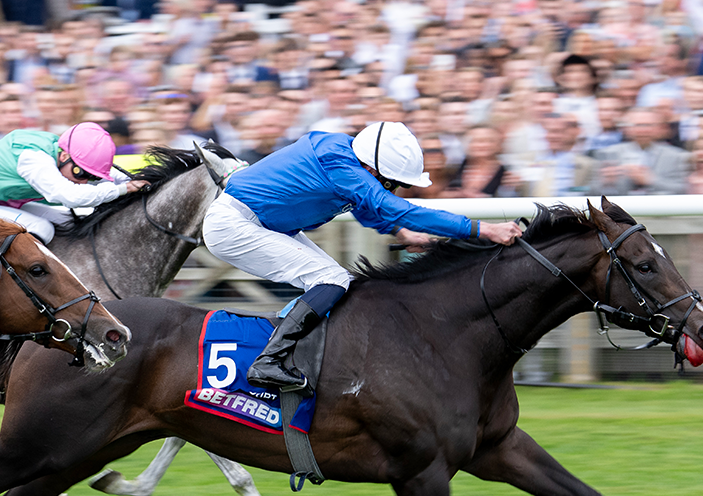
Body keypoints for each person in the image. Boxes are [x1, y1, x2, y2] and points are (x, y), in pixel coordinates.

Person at [201, 122, 522, 392]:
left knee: (339, 284)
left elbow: (366, 206)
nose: (394, 189)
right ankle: (267, 361)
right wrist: (481, 230)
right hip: (235, 225)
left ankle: (287, 353)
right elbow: (394, 207)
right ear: (371, 168)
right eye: (391, 183)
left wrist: (400, 232)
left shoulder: (346, 157)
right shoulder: (340, 164)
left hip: (261, 223)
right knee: (331, 280)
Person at [0, 121, 149, 244]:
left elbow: (105, 172)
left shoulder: (62, 151)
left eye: (91, 177)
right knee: (42, 229)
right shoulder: (34, 159)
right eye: (81, 173)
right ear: (64, 157)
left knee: (67, 222)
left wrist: (135, 180)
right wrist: (123, 189)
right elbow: (71, 197)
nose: (84, 181)